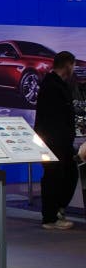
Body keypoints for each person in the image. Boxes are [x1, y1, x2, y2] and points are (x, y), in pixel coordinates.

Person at [34, 51, 78, 230]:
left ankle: (56, 211)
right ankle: (50, 217)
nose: (74, 69)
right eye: (73, 65)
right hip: (53, 141)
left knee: (68, 174)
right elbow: (53, 118)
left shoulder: (56, 84)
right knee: (54, 177)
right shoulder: (52, 85)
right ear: (68, 65)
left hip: (59, 141)